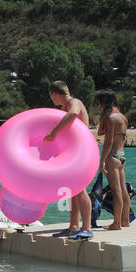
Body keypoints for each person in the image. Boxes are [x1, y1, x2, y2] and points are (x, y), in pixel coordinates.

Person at [44, 80, 93, 238]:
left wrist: (54, 132)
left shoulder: (74, 102)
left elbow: (73, 114)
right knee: (72, 190)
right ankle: (73, 226)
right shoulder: (65, 107)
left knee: (81, 189)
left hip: (82, 151)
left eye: (52, 97)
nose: (53, 100)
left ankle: (86, 228)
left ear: (55, 94)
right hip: (72, 152)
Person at [96, 90, 130, 230]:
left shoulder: (110, 118)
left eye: (98, 103)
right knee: (123, 191)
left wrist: (102, 161)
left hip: (113, 157)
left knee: (116, 192)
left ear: (104, 102)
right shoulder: (122, 117)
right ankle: (125, 220)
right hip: (122, 156)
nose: (98, 106)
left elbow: (108, 142)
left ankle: (116, 224)